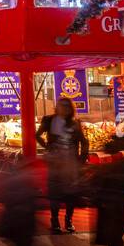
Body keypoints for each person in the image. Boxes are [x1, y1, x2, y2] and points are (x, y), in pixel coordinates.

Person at [35, 98, 87, 233]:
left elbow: (84, 142)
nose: (64, 108)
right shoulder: (48, 120)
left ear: (71, 109)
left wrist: (81, 159)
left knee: (71, 192)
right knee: (55, 192)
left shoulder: (75, 123)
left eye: (66, 106)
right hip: (55, 164)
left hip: (71, 164)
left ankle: (69, 219)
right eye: (61, 106)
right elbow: (37, 135)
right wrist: (47, 148)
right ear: (56, 107)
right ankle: (54, 220)